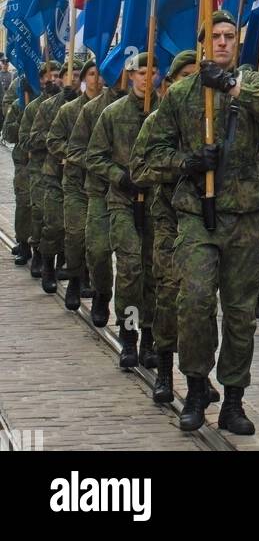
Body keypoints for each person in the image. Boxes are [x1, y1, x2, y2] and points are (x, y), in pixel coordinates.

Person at [134, 9, 259, 434]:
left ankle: (234, 399)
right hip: (199, 214)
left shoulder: (254, 83)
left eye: (229, 36)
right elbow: (146, 157)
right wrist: (189, 162)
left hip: (246, 218)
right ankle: (196, 388)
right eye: (215, 36)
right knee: (195, 302)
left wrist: (232, 86)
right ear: (203, 44)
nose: (222, 42)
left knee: (239, 313)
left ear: (237, 43)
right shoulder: (182, 96)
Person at [129, 49, 200, 405]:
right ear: (169, 84)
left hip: (206, 222)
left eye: (195, 75)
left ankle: (199, 376)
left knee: (200, 304)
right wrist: (183, 165)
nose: (190, 82)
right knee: (169, 298)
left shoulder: (211, 122)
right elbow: (139, 170)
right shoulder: (157, 121)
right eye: (183, 76)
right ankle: (165, 373)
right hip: (169, 221)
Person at [87, 53, 159, 372]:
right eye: (140, 72)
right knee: (130, 268)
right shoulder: (113, 114)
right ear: (130, 76)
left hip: (159, 204)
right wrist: (120, 176)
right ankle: (128, 336)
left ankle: (149, 338)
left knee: (154, 271)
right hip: (123, 201)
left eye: (151, 72)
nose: (145, 78)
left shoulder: (166, 112)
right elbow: (94, 156)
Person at [66, 71, 122, 328]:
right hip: (96, 189)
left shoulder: (157, 108)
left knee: (135, 267)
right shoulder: (91, 110)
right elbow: (76, 149)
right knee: (95, 249)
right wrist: (109, 168)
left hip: (140, 196)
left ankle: (135, 333)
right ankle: (96, 288)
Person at [47, 58, 103, 310]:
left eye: (99, 74)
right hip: (75, 182)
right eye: (91, 74)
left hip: (103, 185)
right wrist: (72, 154)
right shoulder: (69, 111)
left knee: (97, 242)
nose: (96, 79)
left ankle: (93, 281)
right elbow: (53, 140)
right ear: (83, 80)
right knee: (75, 234)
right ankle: (73, 280)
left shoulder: (110, 109)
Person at [17, 61, 62, 277]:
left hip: (63, 172)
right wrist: (52, 137)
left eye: (56, 75)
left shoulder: (68, 106)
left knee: (59, 221)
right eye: (47, 76)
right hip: (39, 169)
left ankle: (61, 262)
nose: (52, 80)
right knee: (40, 214)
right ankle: (37, 253)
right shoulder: (34, 108)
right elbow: (25, 141)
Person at [2, 70, 33, 265]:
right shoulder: (19, 98)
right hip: (24, 161)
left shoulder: (52, 102)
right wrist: (22, 115)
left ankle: (42, 250)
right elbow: (9, 133)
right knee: (24, 203)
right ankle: (23, 242)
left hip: (47, 164)